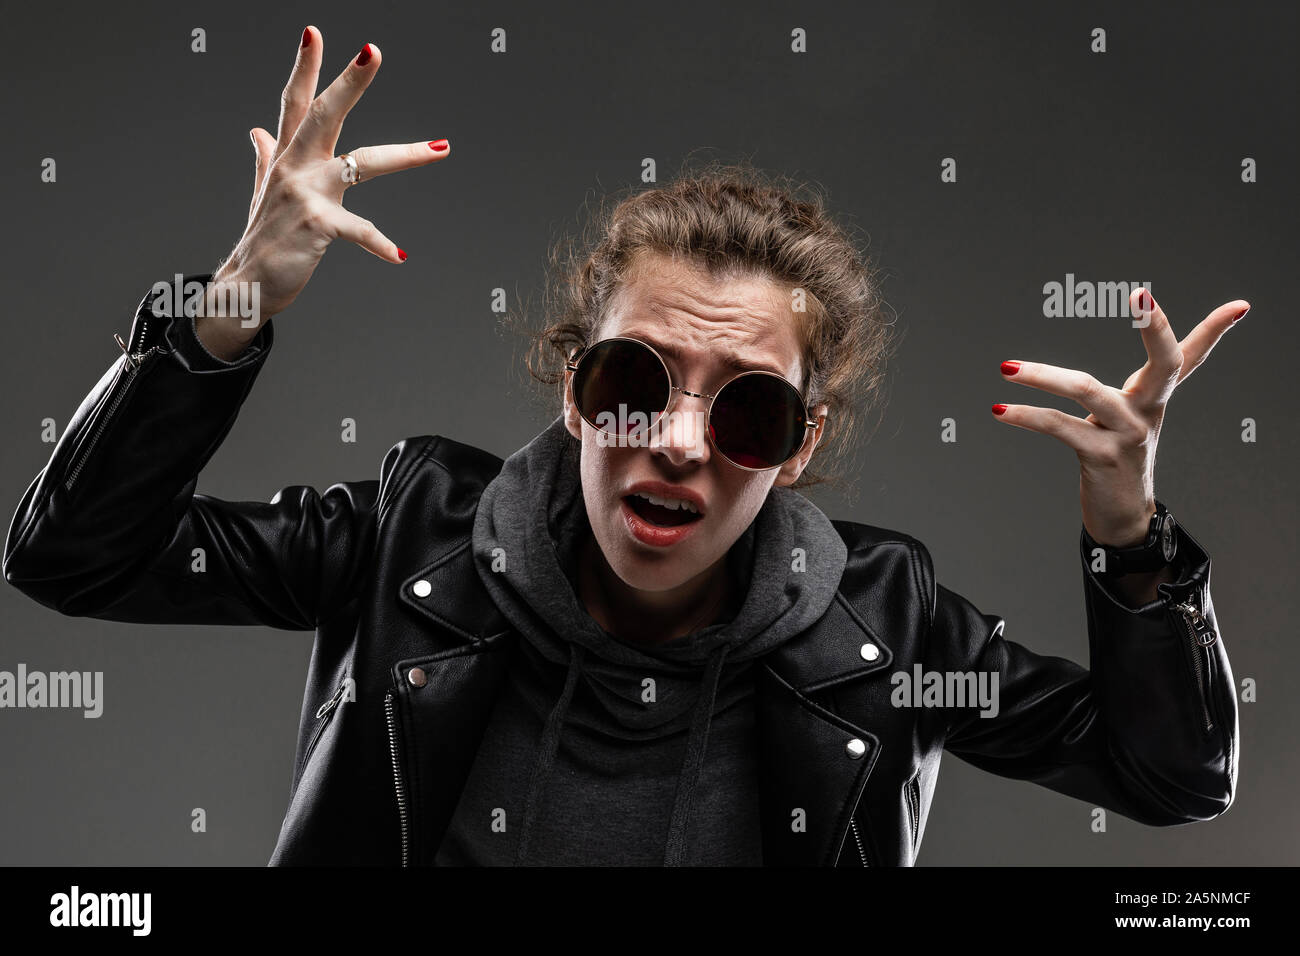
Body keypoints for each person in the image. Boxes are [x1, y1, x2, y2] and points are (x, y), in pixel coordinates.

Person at [3, 27, 1241, 866]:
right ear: (571, 390)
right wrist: (230, 305)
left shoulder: (887, 632)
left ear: (797, 447)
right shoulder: (411, 537)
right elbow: (77, 558)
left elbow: (1170, 775)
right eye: (633, 382)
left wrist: (1130, 534)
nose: (680, 443)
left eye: (748, 410)